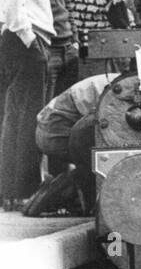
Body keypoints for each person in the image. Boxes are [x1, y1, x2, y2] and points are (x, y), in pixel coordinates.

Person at [0, 0, 59, 207]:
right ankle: (20, 191)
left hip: (27, 42)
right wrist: (30, 41)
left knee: (21, 117)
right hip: (25, 42)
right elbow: (13, 5)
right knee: (26, 120)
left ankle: (14, 190)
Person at [24, 73, 117, 216]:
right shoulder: (128, 87)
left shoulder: (124, 80)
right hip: (56, 129)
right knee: (102, 161)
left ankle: (59, 190)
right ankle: (67, 184)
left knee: (97, 156)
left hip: (49, 126)